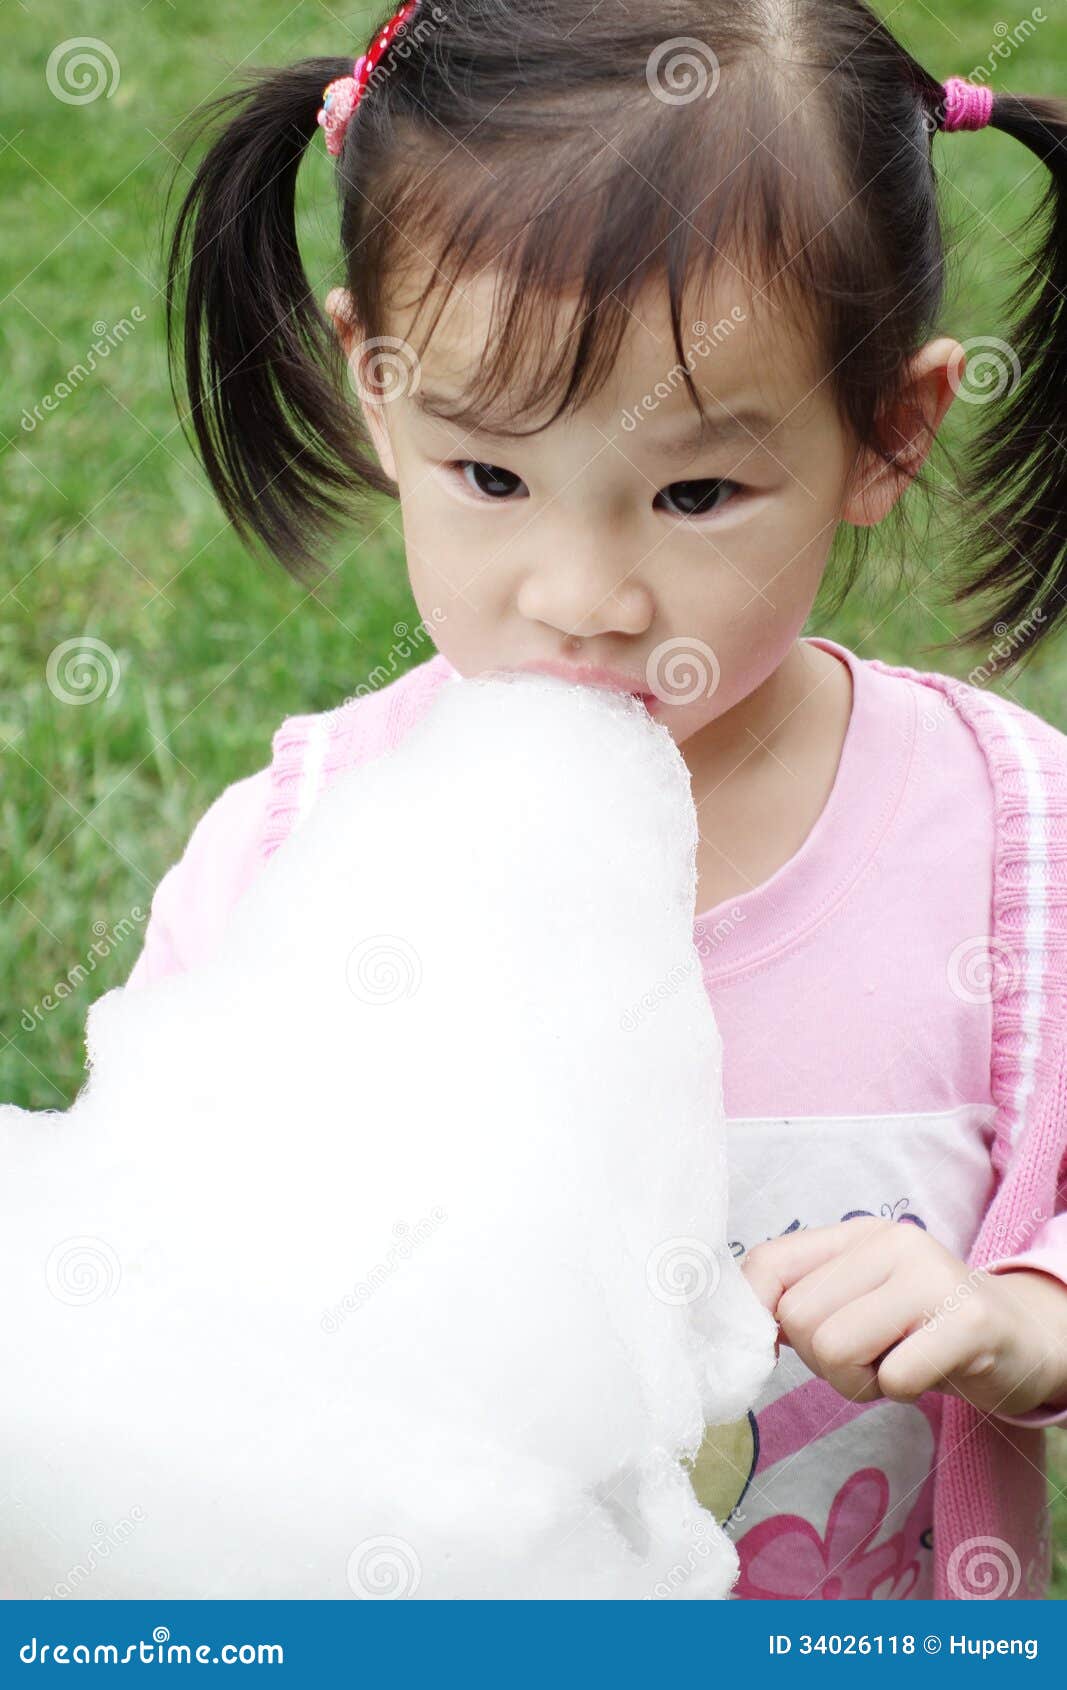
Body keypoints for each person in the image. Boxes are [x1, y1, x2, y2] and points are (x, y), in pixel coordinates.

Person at [127, 0, 1067, 1599]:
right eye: (488, 476)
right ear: (379, 388)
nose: (583, 595)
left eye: (696, 493)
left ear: (886, 434)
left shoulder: (1012, 849)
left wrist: (1026, 1319)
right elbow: (137, 1279)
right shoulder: (296, 859)